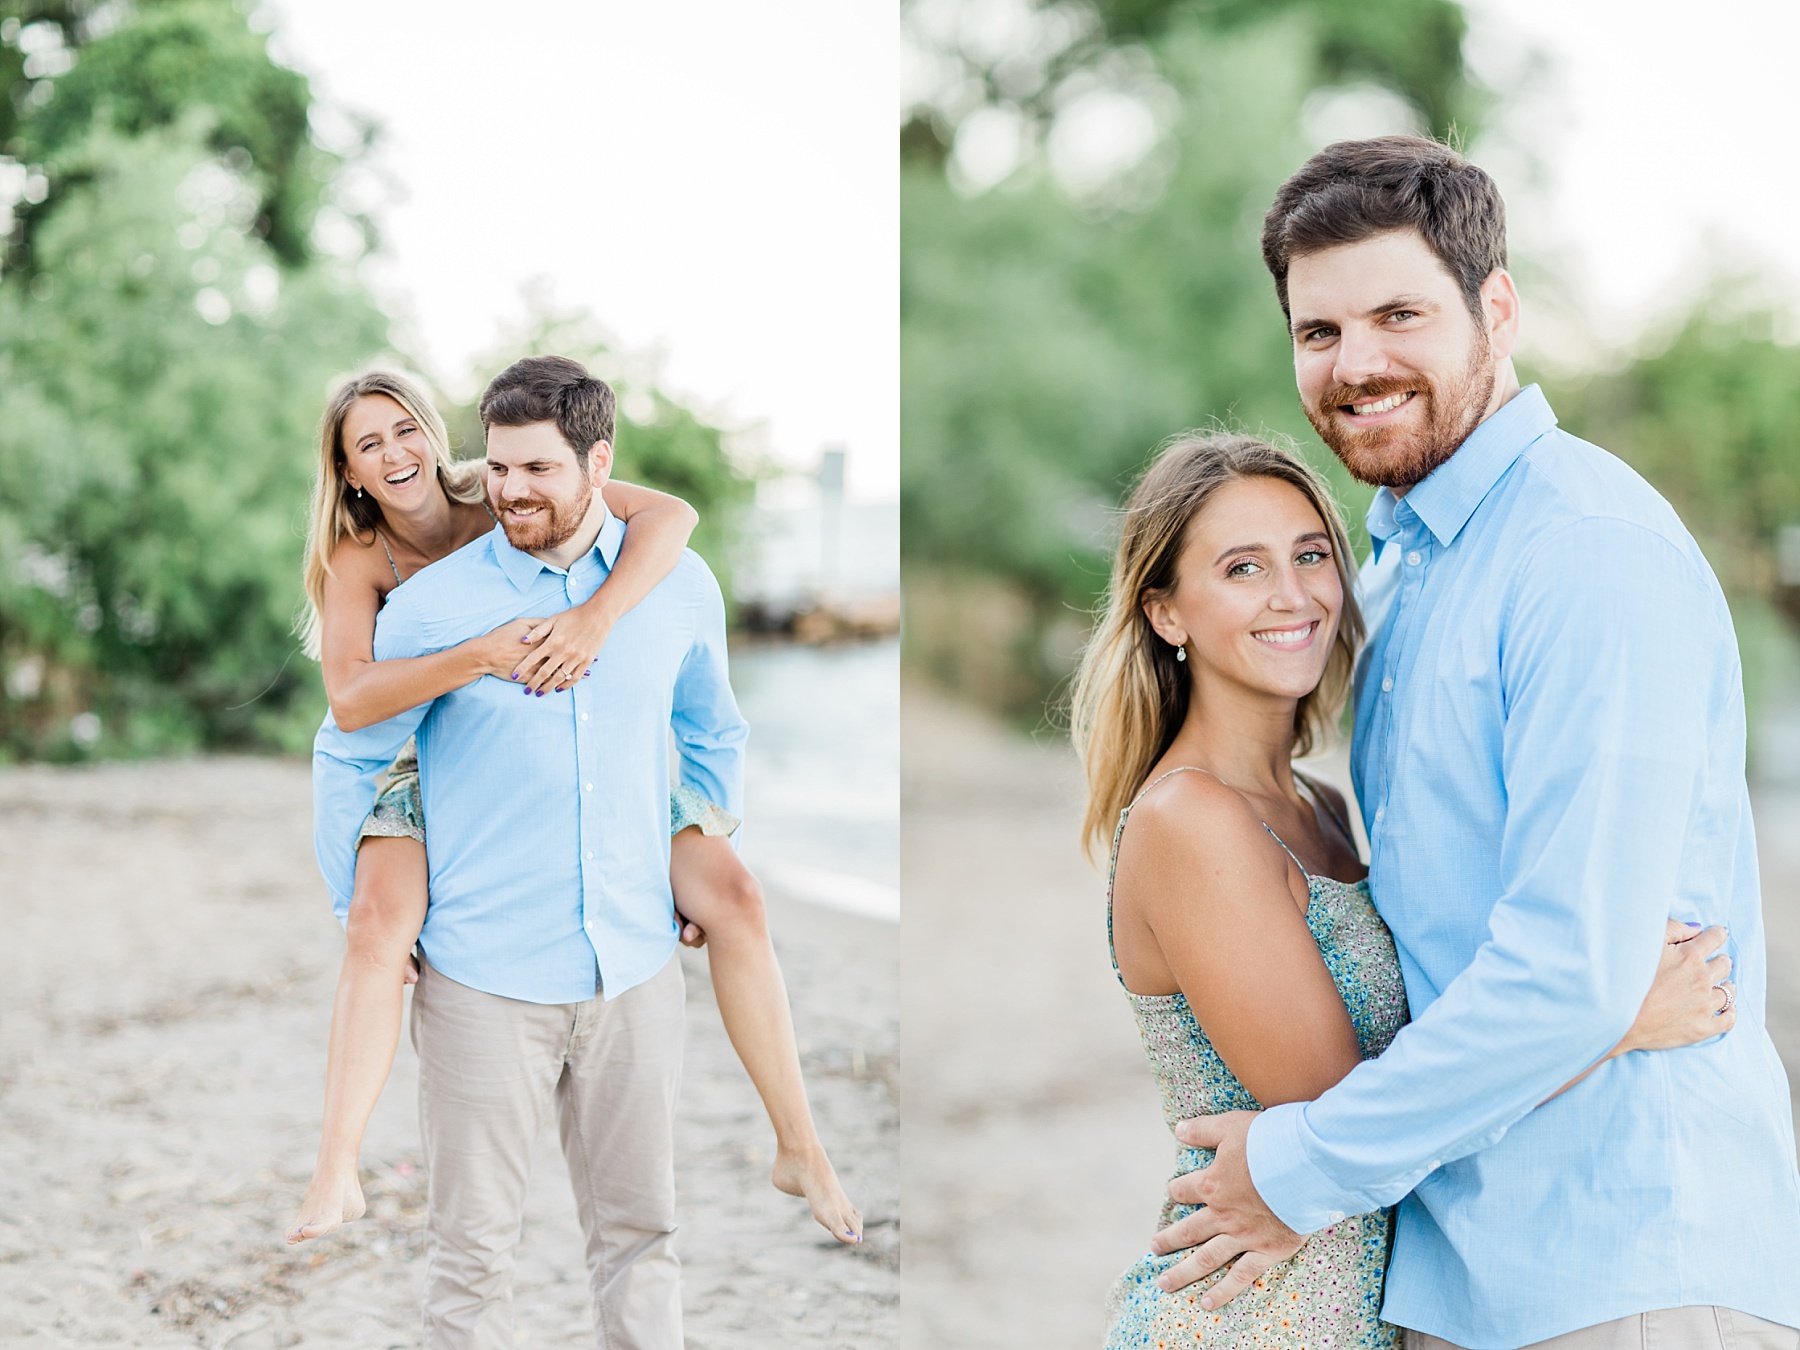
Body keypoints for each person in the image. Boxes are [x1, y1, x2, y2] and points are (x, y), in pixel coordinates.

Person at [1141, 137, 1800, 1347]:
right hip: (1461, 1269)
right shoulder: (1398, 579)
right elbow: (1481, 961)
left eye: (1400, 313)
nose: (1358, 363)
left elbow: (1567, 970)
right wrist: (1605, 1007)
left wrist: (1297, 1167)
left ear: (1496, 309)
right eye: (1319, 331)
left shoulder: (1582, 552)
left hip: (1623, 1260)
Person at [1071, 430, 1733, 1348]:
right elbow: (1354, 1113)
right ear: (1167, 613)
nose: (1292, 594)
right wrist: (1613, 1019)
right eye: (1242, 568)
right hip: (1251, 1320)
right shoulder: (1192, 822)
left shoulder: (1321, 808)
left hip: (1362, 1311)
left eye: (1310, 555)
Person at [304, 357, 851, 1342]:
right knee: (471, 1259)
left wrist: (703, 827)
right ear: (347, 471)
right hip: (482, 977)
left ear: (598, 465)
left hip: (633, 964)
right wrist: (354, 888)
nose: (510, 489)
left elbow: (712, 726)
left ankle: (799, 1140)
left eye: (537, 471)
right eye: (502, 469)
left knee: (645, 1237)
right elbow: (351, 739)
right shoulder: (416, 607)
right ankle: (334, 1161)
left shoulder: (672, 586)